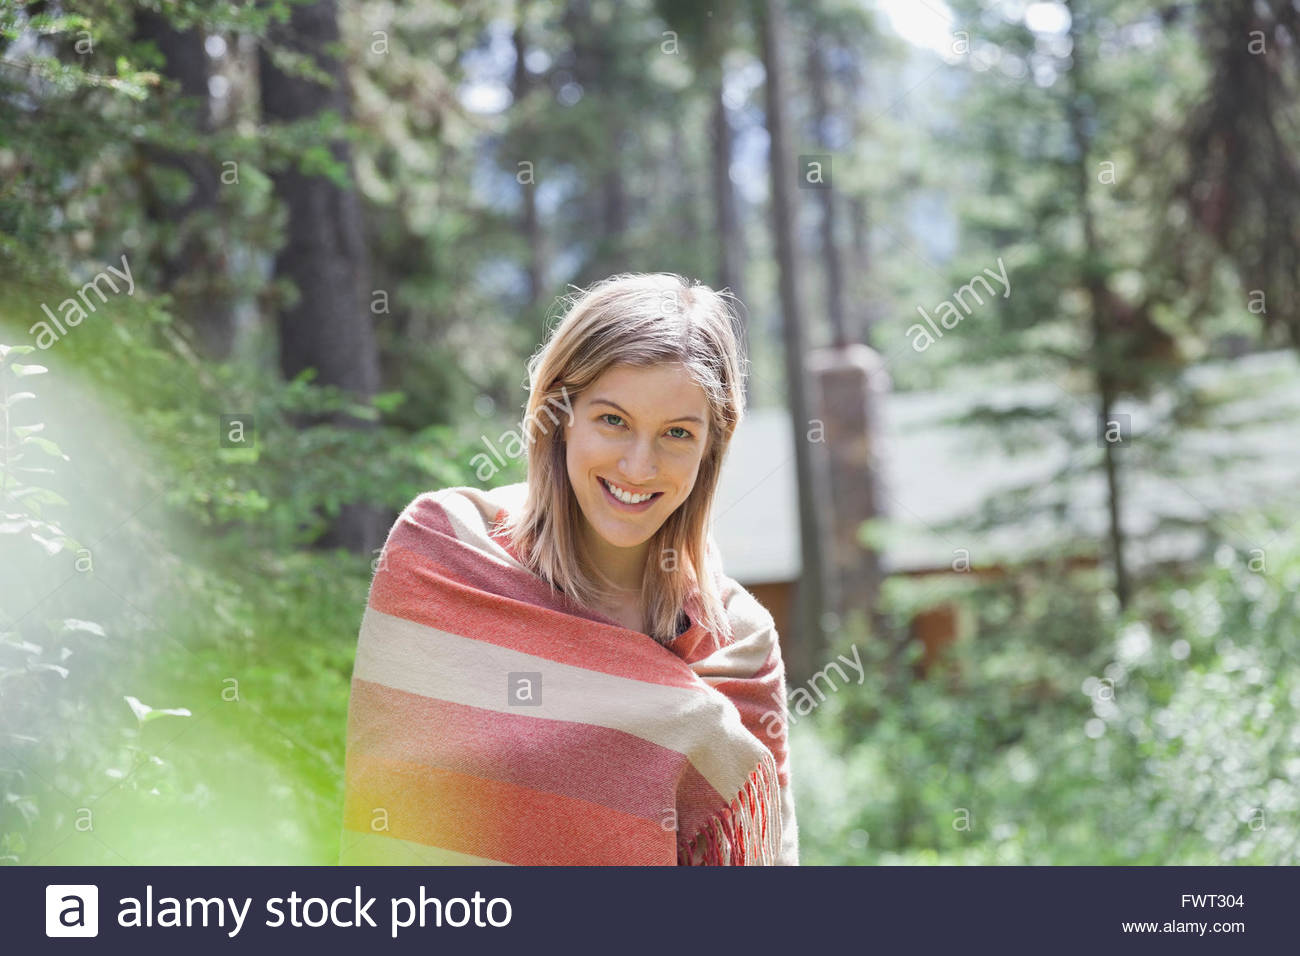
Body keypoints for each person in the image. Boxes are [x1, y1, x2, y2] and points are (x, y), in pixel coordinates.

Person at [340, 273, 798, 866]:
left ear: (712, 445)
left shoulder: (737, 640)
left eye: (677, 434)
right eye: (613, 420)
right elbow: (393, 808)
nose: (639, 465)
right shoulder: (448, 553)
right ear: (559, 414)